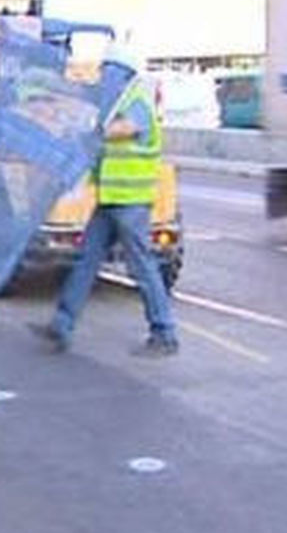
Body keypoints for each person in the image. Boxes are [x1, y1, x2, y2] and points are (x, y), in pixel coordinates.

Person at [33, 43, 180, 357]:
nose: (103, 76)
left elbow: (123, 130)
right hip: (110, 201)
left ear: (122, 73)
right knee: (86, 261)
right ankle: (62, 325)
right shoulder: (114, 104)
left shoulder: (136, 101)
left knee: (142, 267)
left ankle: (165, 334)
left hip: (131, 202)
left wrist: (90, 130)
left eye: (107, 70)